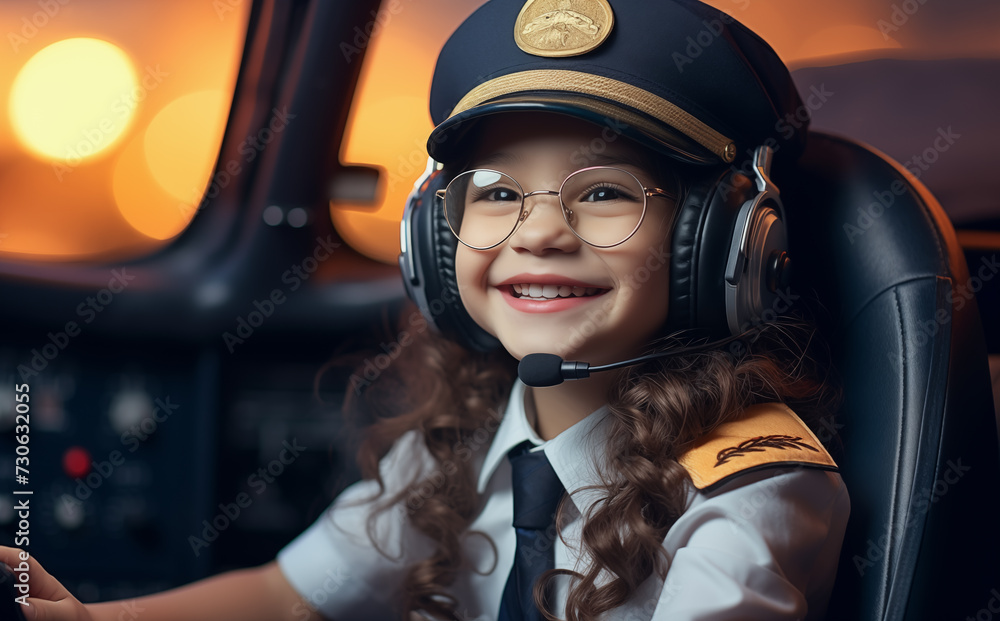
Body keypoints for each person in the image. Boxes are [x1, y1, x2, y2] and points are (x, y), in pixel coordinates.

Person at [0, 0, 850, 619]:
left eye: (602, 193)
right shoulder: (461, 439)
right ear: (438, 248)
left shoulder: (754, 490)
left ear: (725, 244)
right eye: (498, 192)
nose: (540, 233)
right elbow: (291, 595)